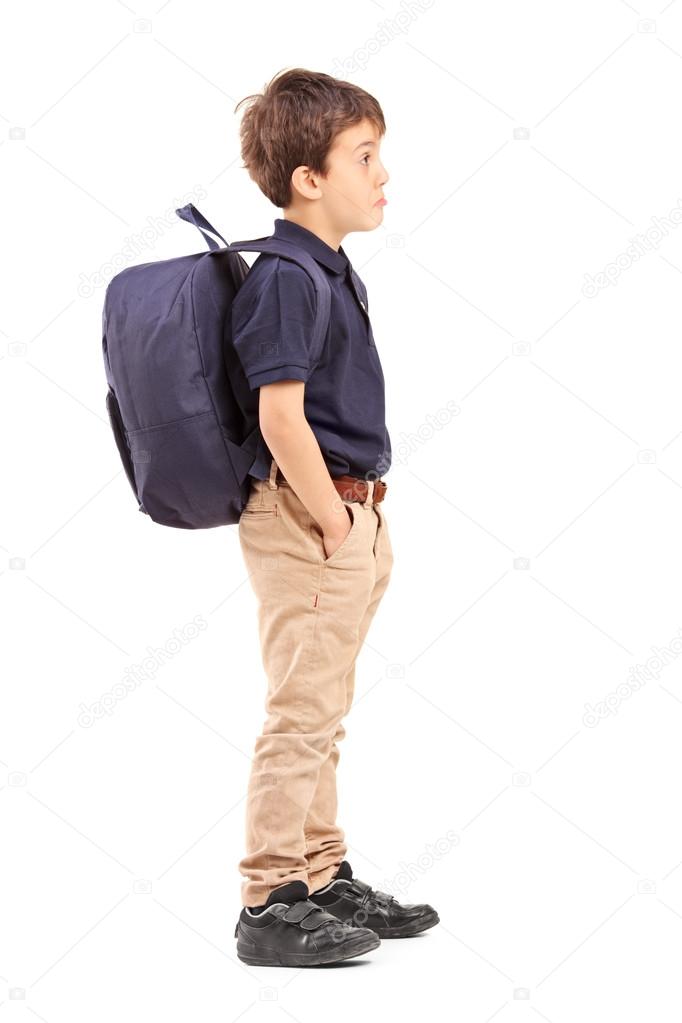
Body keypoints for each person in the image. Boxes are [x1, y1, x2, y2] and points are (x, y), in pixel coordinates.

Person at [230, 67, 439, 967]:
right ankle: (269, 899)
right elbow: (280, 416)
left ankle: (319, 872)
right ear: (308, 178)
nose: (383, 173)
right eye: (365, 156)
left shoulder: (325, 268)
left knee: (326, 709)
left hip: (349, 515)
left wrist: (359, 527)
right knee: (300, 711)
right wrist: (336, 523)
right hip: (316, 520)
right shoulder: (286, 275)